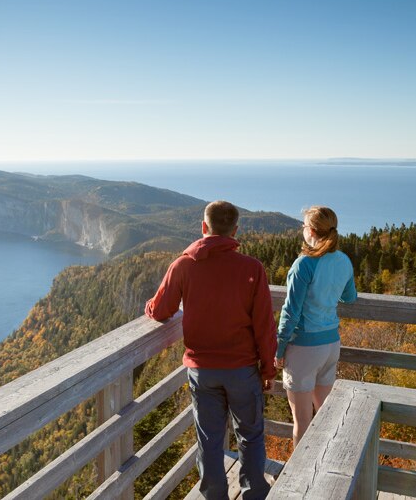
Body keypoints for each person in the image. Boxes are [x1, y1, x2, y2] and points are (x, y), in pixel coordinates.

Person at [145, 200, 277, 500]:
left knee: (209, 440)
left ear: (204, 227)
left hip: (202, 370)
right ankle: (254, 494)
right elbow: (264, 325)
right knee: (250, 436)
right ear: (235, 231)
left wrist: (149, 307)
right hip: (243, 369)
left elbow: (161, 309)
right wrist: (268, 369)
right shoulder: (252, 268)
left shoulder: (183, 265)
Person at [275, 206, 357, 445]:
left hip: (304, 348)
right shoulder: (343, 260)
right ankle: (325, 462)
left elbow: (291, 312)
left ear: (310, 231)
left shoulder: (304, 264)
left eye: (303, 226)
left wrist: (279, 349)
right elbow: (350, 297)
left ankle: (301, 470)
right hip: (331, 344)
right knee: (325, 417)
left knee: (302, 421)